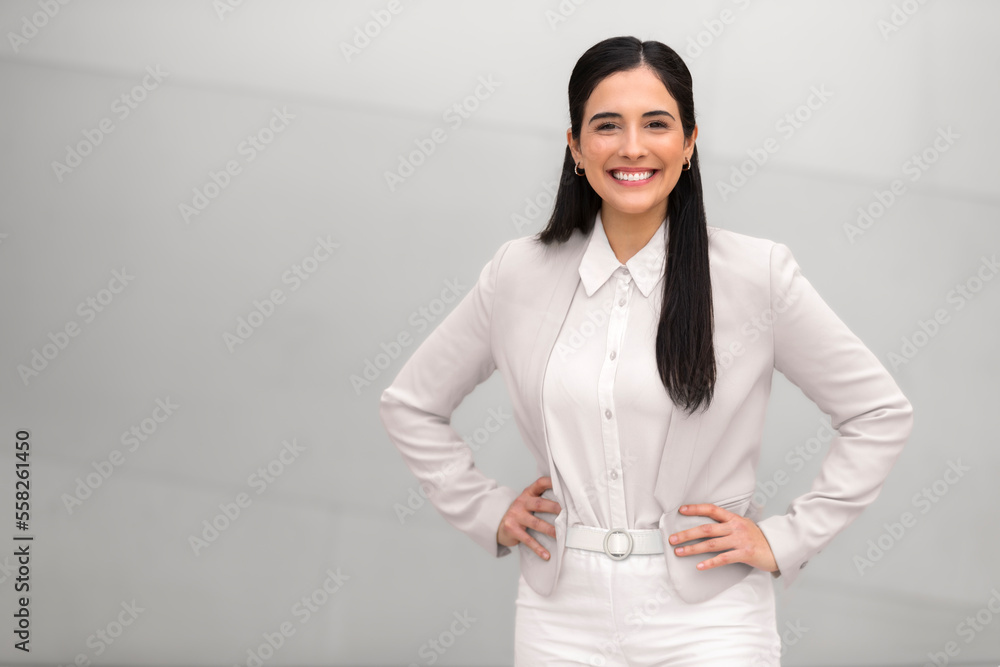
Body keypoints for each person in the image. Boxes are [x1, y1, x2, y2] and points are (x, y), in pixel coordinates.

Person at [379, 35, 914, 666]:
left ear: (689, 142)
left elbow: (878, 412)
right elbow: (411, 404)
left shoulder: (756, 274)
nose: (632, 147)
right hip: (560, 619)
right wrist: (485, 509)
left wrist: (786, 539)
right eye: (607, 125)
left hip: (710, 619)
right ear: (575, 145)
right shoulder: (517, 274)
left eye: (656, 124)